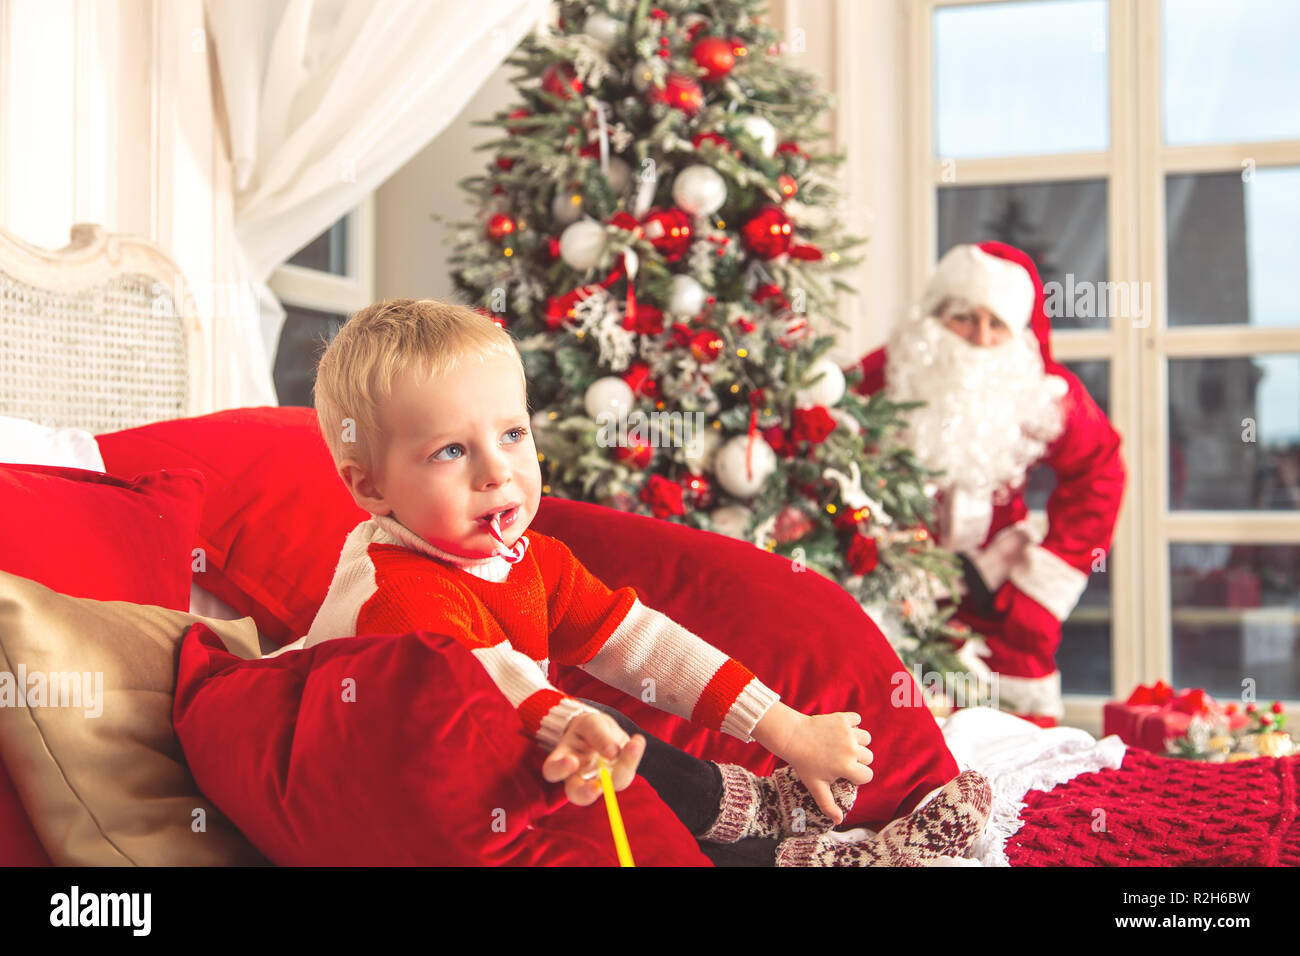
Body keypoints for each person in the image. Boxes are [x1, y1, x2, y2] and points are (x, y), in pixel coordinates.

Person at [275, 297, 993, 866]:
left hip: (503, 753)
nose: (496, 472)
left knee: (613, 766)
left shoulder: (526, 558)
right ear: (370, 487)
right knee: (607, 749)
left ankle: (770, 823)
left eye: (513, 435)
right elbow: (483, 680)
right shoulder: (393, 585)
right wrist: (575, 724)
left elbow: (636, 640)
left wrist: (785, 727)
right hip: (399, 799)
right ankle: (788, 850)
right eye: (452, 450)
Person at [852, 243, 1126, 727]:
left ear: (1016, 333)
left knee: (1018, 749)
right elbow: (824, 442)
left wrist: (1046, 582)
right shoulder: (887, 375)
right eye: (964, 317)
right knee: (892, 745)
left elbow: (1099, 471)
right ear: (936, 316)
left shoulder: (1044, 392)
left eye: (997, 324)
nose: (980, 337)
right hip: (892, 592)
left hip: (998, 596)